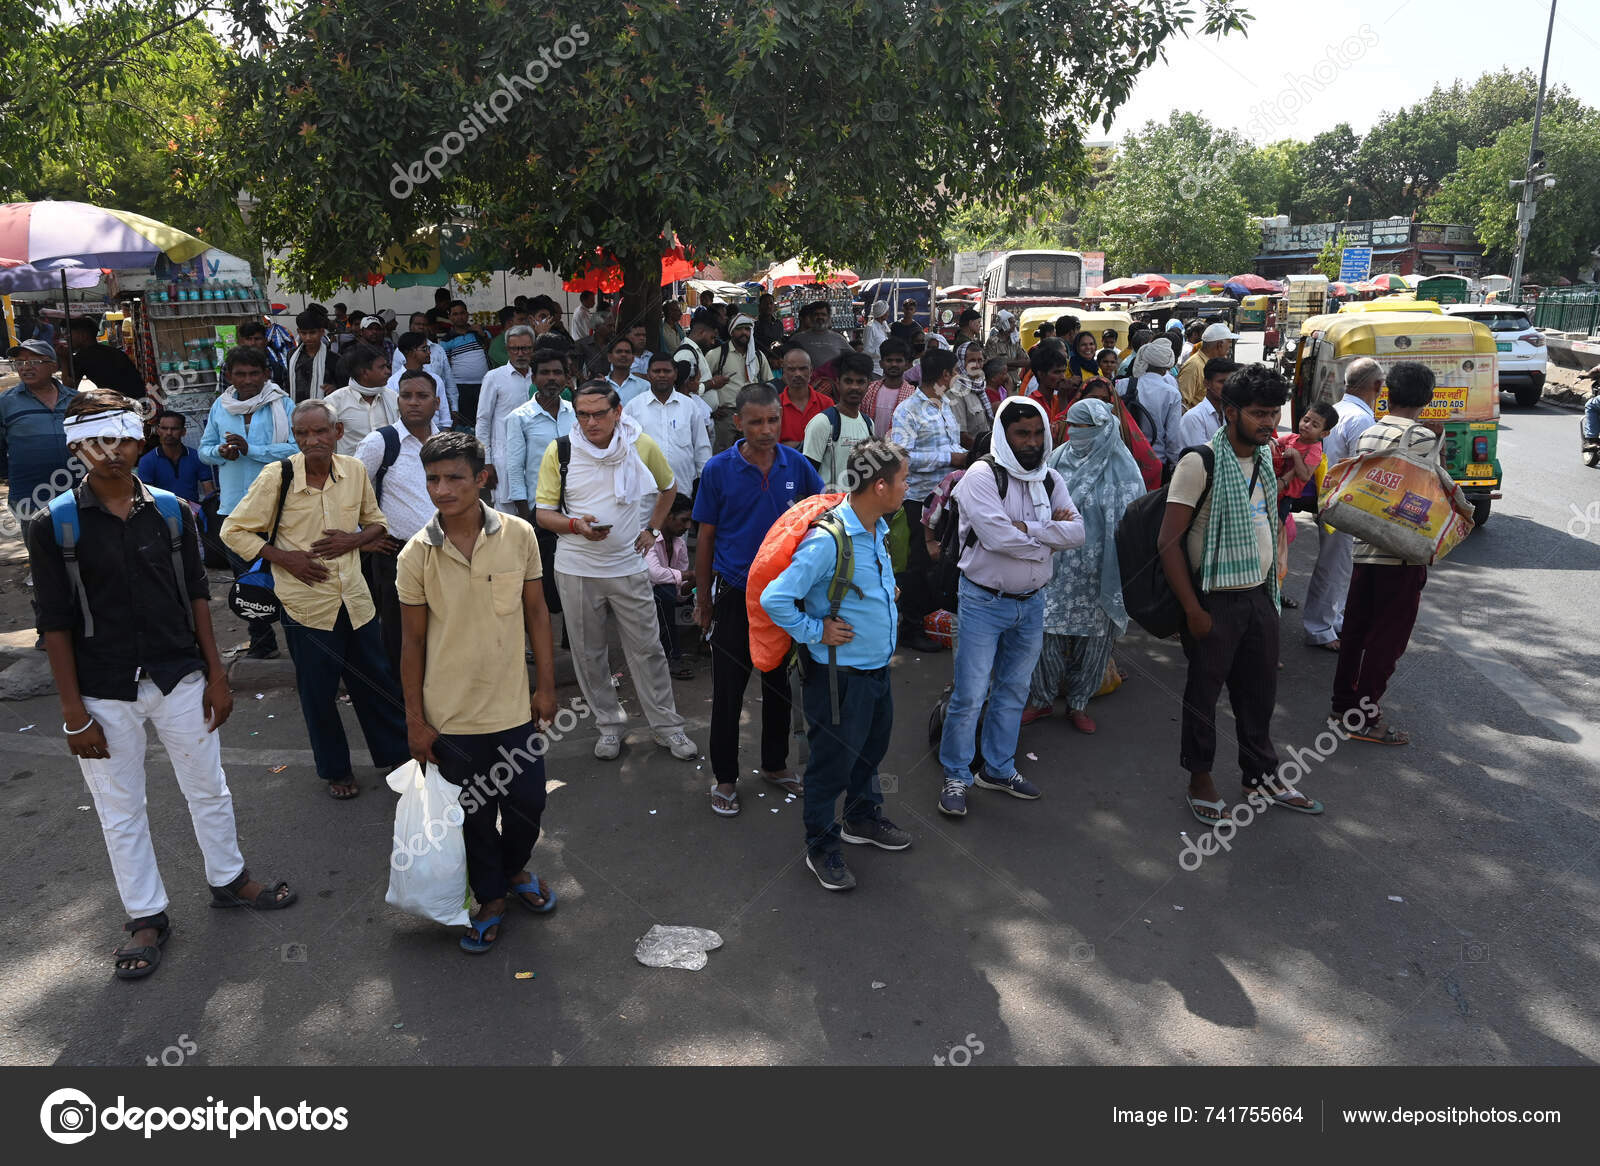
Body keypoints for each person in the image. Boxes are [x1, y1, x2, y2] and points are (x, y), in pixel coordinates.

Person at [28, 389, 296, 980]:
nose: (112, 452)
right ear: (77, 449)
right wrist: (73, 712)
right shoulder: (54, 525)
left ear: (140, 438)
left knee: (209, 786)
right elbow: (54, 623)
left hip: (180, 675)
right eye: (96, 441)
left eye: (122, 438)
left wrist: (216, 674)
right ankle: (145, 915)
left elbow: (197, 595)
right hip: (103, 687)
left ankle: (229, 879)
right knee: (120, 808)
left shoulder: (174, 511)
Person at [399, 431, 558, 954]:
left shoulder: (519, 535)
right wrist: (415, 720)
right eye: (433, 479)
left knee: (527, 804)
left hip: (514, 707)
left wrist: (547, 687)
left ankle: (514, 872)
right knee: (471, 816)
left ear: (482, 478)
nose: (442, 490)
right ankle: (490, 898)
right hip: (450, 718)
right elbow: (413, 641)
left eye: (453, 478)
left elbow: (537, 613)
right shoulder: (414, 554)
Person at [1157, 365, 1323, 826]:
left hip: (1259, 596)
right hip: (1214, 600)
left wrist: (1271, 593)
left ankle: (1260, 774)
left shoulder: (1266, 459)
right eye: (1256, 413)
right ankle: (1200, 778)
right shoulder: (1199, 462)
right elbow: (1168, 542)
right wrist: (1192, 609)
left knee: (1259, 693)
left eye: (1273, 413)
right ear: (1230, 411)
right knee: (1204, 695)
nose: (1268, 422)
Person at [221, 399, 410, 799]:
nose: (312, 441)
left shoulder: (355, 471)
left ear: (337, 433)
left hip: (355, 601)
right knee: (318, 692)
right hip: (306, 605)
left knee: (376, 683)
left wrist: (355, 539)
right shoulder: (278, 476)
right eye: (303, 434)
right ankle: (336, 771)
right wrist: (285, 558)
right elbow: (234, 531)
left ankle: (397, 757)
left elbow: (378, 524)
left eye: (320, 432)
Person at [761, 438, 912, 890]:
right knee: (831, 767)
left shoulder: (876, 528)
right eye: (903, 480)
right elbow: (776, 598)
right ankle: (822, 846)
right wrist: (815, 631)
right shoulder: (828, 541)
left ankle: (862, 819)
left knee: (870, 752)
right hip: (838, 680)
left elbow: (860, 586)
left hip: (875, 671)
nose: (908, 487)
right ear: (881, 485)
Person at [533, 382, 697, 762]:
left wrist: (652, 529)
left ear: (618, 412)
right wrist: (577, 526)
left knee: (648, 649)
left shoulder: (640, 445)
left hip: (628, 565)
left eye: (599, 413)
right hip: (576, 569)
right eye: (583, 414)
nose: (591, 422)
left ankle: (667, 726)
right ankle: (609, 725)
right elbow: (543, 514)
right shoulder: (561, 451)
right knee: (590, 655)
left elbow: (668, 489)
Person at [936, 398, 1084, 817]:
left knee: (1014, 690)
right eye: (1022, 433)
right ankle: (956, 775)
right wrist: (1045, 543)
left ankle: (998, 769)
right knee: (970, 694)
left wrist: (1033, 530)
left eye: (1038, 433)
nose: (1032, 442)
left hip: (1032, 604)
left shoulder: (1051, 479)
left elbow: (1078, 532)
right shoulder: (980, 477)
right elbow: (999, 537)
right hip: (983, 602)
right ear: (1004, 434)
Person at [694, 383, 824, 816]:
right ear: (738, 423)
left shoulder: (799, 465)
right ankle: (726, 779)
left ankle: (774, 764)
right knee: (728, 691)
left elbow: (821, 518)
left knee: (779, 688)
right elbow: (706, 538)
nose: (766, 429)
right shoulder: (718, 469)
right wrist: (703, 600)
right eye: (756, 422)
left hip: (785, 598)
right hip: (733, 593)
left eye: (772, 420)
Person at [1330, 362, 1449, 747]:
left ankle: (1342, 705)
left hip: (1365, 547)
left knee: (1356, 632)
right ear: (1427, 399)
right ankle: (1364, 718)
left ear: (1388, 393)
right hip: (1402, 553)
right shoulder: (1423, 438)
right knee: (1387, 640)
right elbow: (1436, 489)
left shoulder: (1371, 431)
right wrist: (1439, 440)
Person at [1023, 397, 1144, 732]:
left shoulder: (1123, 468)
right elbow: (1036, 504)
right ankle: (1041, 700)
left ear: (1102, 430)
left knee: (1094, 641)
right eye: (1071, 425)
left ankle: (1078, 704)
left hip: (1101, 572)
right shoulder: (1057, 459)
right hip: (1056, 568)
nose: (1074, 432)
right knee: (1046, 634)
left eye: (1083, 427)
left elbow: (1133, 522)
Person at [200, 347, 299, 659]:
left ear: (266, 374)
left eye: (254, 373)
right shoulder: (221, 405)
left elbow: (297, 449)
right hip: (234, 509)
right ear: (229, 376)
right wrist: (221, 452)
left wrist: (251, 449)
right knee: (246, 580)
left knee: (287, 576)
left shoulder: (282, 403)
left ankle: (299, 642)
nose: (247, 380)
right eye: (240, 374)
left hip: (278, 507)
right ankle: (262, 642)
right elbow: (204, 450)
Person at [356, 369, 441, 675]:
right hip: (396, 554)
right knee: (400, 636)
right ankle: (402, 708)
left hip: (443, 554)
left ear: (437, 403)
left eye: (422, 396)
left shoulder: (445, 444)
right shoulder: (380, 442)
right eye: (406, 396)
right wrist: (367, 538)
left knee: (442, 631)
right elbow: (350, 495)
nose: (413, 402)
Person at [890, 347, 966, 652]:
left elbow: (951, 442)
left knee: (944, 561)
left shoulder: (945, 404)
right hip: (920, 499)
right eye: (956, 372)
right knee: (918, 563)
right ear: (945, 375)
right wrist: (951, 457)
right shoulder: (907, 411)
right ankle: (911, 627)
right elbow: (902, 455)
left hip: (948, 497)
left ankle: (936, 621)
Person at [1302, 357, 1382, 647]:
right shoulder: (1361, 418)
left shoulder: (1339, 410)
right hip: (1343, 503)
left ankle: (1330, 621)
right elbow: (1363, 468)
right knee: (1335, 567)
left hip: (1331, 499)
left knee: (1337, 566)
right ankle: (1319, 628)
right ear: (1377, 386)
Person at [504, 351, 577, 631]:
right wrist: (526, 518)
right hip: (538, 512)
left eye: (557, 372)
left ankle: (572, 642)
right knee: (538, 582)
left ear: (566, 378)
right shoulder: (519, 418)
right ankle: (537, 642)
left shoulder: (576, 413)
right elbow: (515, 468)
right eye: (545, 372)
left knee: (572, 580)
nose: (551, 378)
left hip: (574, 508)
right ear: (534, 378)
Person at [1, 339, 77, 529]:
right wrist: (8, 474)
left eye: (34, 362)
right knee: (41, 552)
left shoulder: (76, 400)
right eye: (19, 362)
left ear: (53, 365)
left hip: (77, 490)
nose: (25, 368)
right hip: (30, 493)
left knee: (85, 549)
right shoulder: (6, 402)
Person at [625, 350, 711, 501]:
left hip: (684, 490)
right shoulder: (633, 407)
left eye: (667, 371)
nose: (662, 375)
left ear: (675, 374)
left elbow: (702, 447)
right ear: (648, 374)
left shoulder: (689, 406)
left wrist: (706, 483)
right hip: (645, 494)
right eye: (656, 371)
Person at [1273, 401, 1334, 602]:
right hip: (1276, 490)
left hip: (1287, 495)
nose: (1307, 425)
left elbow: (1306, 475)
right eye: (1306, 419)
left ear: (1324, 433)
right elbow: (1276, 444)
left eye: (1314, 424)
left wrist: (1295, 456)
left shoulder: (1315, 449)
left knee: (1277, 525)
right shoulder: (1292, 437)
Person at [474, 324, 535, 510]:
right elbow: (483, 421)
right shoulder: (494, 377)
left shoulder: (540, 377)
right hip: (503, 461)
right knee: (507, 519)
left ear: (533, 349)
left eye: (525, 348)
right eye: (515, 349)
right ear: (507, 350)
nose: (520, 353)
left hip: (534, 459)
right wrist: (486, 463)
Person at [803, 351, 874, 490]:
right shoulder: (822, 423)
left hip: (857, 508)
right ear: (837, 383)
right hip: (827, 508)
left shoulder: (869, 424)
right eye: (848, 381)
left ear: (868, 385)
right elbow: (807, 475)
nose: (854, 387)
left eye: (860, 382)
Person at [702, 313, 772, 451]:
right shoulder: (717, 354)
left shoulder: (757, 356)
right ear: (732, 331)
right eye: (740, 329)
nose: (744, 333)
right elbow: (702, 384)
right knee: (723, 455)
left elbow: (770, 383)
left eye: (747, 329)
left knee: (753, 454)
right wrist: (710, 410)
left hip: (753, 414)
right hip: (726, 416)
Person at [646, 494, 695, 681]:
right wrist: (690, 575)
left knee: (701, 592)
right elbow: (655, 575)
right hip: (644, 594)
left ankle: (703, 645)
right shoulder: (648, 537)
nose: (688, 526)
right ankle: (673, 656)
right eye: (684, 520)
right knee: (664, 594)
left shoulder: (679, 544)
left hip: (666, 593)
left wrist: (694, 583)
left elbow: (679, 590)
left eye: (690, 521)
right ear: (668, 516)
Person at [323, 343, 399, 455]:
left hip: (389, 470)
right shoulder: (333, 403)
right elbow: (326, 443)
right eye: (382, 367)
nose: (388, 371)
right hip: (349, 471)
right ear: (364, 372)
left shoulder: (394, 398)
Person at [1128, 338, 1184, 472]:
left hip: (1127, 458)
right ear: (1167, 367)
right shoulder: (1172, 393)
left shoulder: (1123, 385)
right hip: (1156, 460)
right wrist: (1174, 463)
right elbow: (1173, 437)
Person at [137, 410, 214, 504]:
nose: (169, 433)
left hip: (193, 513)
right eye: (164, 428)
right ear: (158, 431)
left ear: (183, 432)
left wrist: (209, 513)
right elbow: (146, 497)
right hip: (162, 514)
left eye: (174, 429)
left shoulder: (197, 457)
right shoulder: (147, 461)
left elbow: (209, 491)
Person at [386, 330, 455, 429]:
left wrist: (446, 430)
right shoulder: (393, 382)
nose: (429, 352)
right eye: (424, 349)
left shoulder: (435, 379)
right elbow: (393, 415)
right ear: (410, 352)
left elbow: (444, 412)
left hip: (436, 431)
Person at [441, 299, 492, 428]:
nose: (459, 317)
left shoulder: (479, 331)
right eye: (455, 314)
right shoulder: (446, 340)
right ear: (450, 317)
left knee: (485, 418)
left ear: (468, 314)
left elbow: (490, 349)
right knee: (468, 422)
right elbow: (446, 366)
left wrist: (481, 334)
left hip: (484, 383)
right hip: (461, 387)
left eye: (462, 313)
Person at [66, 317, 145, 397]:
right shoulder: (114, 352)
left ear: (83, 335)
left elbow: (68, 388)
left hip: (119, 401)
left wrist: (63, 360)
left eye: (70, 334)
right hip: (136, 397)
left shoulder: (82, 357)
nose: (67, 338)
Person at [1175, 357, 1237, 451]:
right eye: (1221, 382)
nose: (1227, 386)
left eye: (1230, 382)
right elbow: (1203, 457)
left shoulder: (1230, 414)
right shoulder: (1194, 418)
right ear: (1206, 384)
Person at [777, 345, 833, 448]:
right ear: (783, 372)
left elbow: (831, 444)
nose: (798, 374)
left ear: (811, 371)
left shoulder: (826, 403)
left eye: (803, 369)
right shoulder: (774, 405)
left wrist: (794, 446)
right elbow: (773, 447)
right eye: (791, 369)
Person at [1178, 322, 1240, 409]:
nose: (1228, 350)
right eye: (1228, 345)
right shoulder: (1194, 366)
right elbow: (1182, 404)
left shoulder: (1211, 364)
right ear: (1220, 345)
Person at [948, 345, 1001, 445]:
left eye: (980, 360)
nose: (977, 365)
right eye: (972, 361)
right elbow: (962, 436)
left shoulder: (979, 385)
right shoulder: (956, 391)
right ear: (961, 363)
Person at [862, 337, 916, 435]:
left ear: (907, 364)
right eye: (889, 360)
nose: (894, 364)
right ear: (881, 363)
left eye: (899, 361)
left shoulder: (912, 396)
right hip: (871, 446)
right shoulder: (869, 390)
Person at [286, 309, 338, 403]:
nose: (308, 337)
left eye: (312, 333)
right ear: (298, 332)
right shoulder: (291, 355)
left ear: (322, 332)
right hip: (296, 409)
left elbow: (345, 387)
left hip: (325, 411)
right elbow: (286, 383)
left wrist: (335, 389)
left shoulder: (334, 358)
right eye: (304, 333)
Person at [1026, 341, 1073, 444]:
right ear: (1041, 374)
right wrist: (1063, 398)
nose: (1062, 377)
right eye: (1056, 372)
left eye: (1063, 371)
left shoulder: (1057, 399)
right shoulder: (1032, 404)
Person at [792, 299, 851, 371]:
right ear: (811, 317)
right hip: (807, 380)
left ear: (828, 317)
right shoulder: (798, 338)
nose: (820, 317)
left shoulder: (838, 338)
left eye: (823, 314)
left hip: (832, 380)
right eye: (816, 314)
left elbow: (853, 358)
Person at [236, 320, 290, 389]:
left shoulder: (277, 367)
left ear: (265, 341)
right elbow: (224, 397)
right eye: (248, 339)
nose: (253, 343)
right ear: (241, 342)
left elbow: (282, 395)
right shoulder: (230, 366)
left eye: (257, 339)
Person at [601, 334, 651, 407]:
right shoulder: (600, 385)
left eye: (627, 352)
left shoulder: (645, 386)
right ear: (609, 357)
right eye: (619, 351)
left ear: (633, 358)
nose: (623, 355)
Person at [575, 309, 616, 379]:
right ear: (597, 327)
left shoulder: (615, 344)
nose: (613, 329)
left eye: (613, 326)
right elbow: (576, 369)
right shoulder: (582, 345)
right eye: (609, 326)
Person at [862, 299, 891, 374]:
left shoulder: (884, 326)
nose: (888, 314)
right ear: (882, 312)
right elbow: (867, 350)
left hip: (883, 369)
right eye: (887, 311)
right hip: (874, 369)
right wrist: (882, 353)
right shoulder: (870, 327)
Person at [754, 293, 786, 361]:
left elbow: (780, 341)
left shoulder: (778, 323)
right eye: (765, 303)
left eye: (771, 303)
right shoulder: (755, 325)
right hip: (763, 362)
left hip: (779, 362)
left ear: (774, 306)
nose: (768, 306)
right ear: (759, 306)